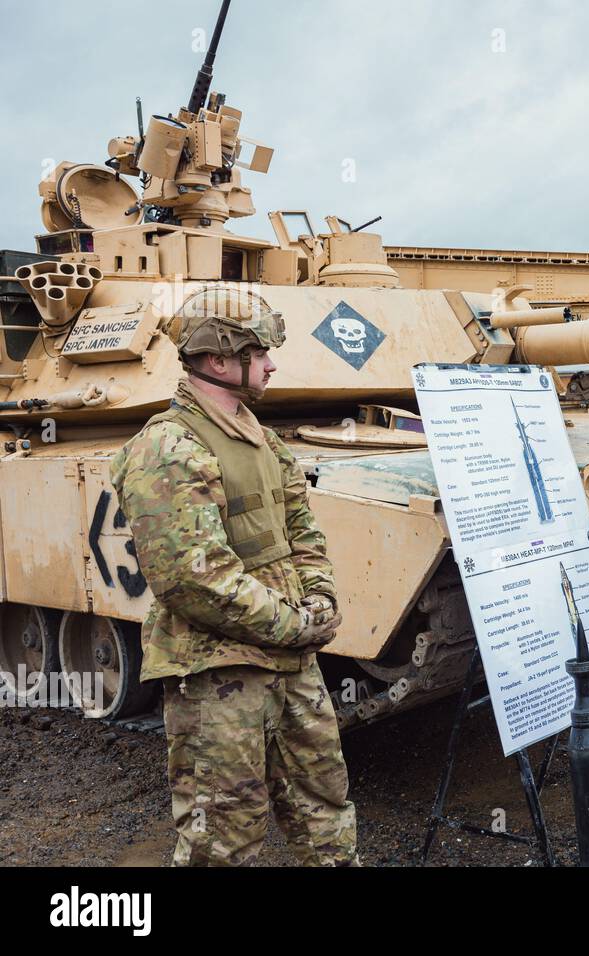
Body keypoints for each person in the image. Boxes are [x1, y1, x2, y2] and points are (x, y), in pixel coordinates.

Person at [110, 287, 358, 865]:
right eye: (260, 351)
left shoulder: (261, 438)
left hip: (290, 660)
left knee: (325, 807)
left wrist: (318, 596)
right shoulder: (169, 447)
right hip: (219, 672)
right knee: (223, 834)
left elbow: (301, 528)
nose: (272, 363)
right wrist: (296, 623)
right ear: (219, 359)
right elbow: (193, 579)